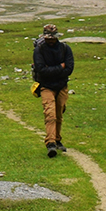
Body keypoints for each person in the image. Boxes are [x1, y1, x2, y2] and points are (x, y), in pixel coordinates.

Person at [32, 23, 74, 157]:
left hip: (62, 86)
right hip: (46, 86)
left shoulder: (65, 49)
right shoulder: (39, 50)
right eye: (48, 38)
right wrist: (60, 67)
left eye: (52, 38)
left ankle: (57, 139)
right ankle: (50, 143)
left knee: (59, 114)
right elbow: (41, 70)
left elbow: (69, 69)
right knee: (50, 114)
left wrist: (51, 70)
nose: (50, 41)